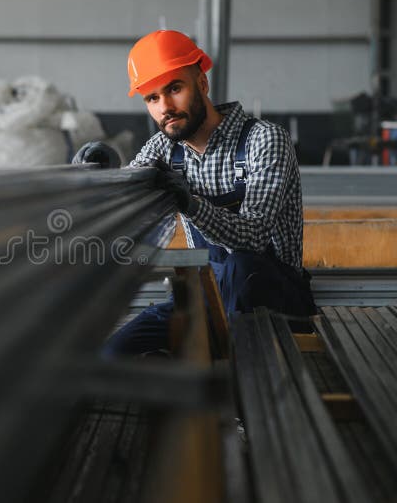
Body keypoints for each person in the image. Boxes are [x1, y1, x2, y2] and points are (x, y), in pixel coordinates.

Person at [73, 29, 316, 356]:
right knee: (112, 356)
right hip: (206, 297)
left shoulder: (265, 140)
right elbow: (130, 188)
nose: (165, 108)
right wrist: (100, 172)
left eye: (175, 88)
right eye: (152, 98)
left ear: (202, 83)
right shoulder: (164, 145)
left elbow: (254, 237)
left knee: (243, 267)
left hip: (274, 301)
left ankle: (217, 384)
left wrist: (191, 204)